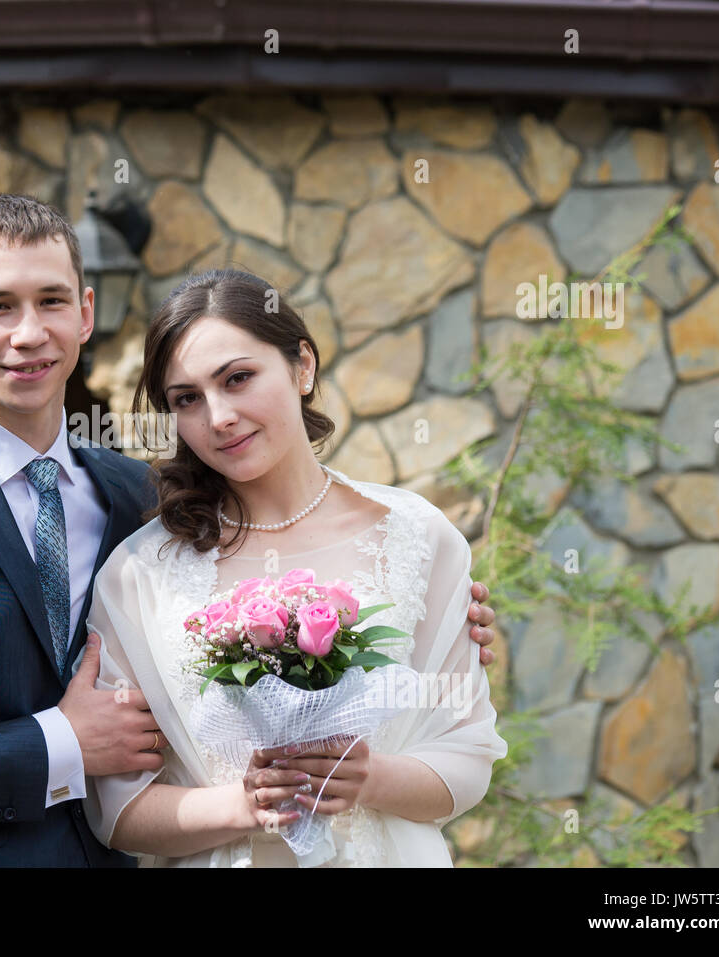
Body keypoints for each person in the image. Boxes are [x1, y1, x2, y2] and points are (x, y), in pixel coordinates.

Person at [0, 194, 498, 867]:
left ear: (85, 313)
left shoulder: (143, 501)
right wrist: (61, 742)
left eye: (51, 301)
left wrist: (424, 611)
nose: (29, 332)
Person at [79, 268, 508, 867]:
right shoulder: (140, 572)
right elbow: (117, 812)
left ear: (302, 366)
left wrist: (368, 777)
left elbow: (468, 758)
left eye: (239, 378)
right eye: (187, 399)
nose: (219, 415)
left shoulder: (418, 536)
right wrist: (244, 804)